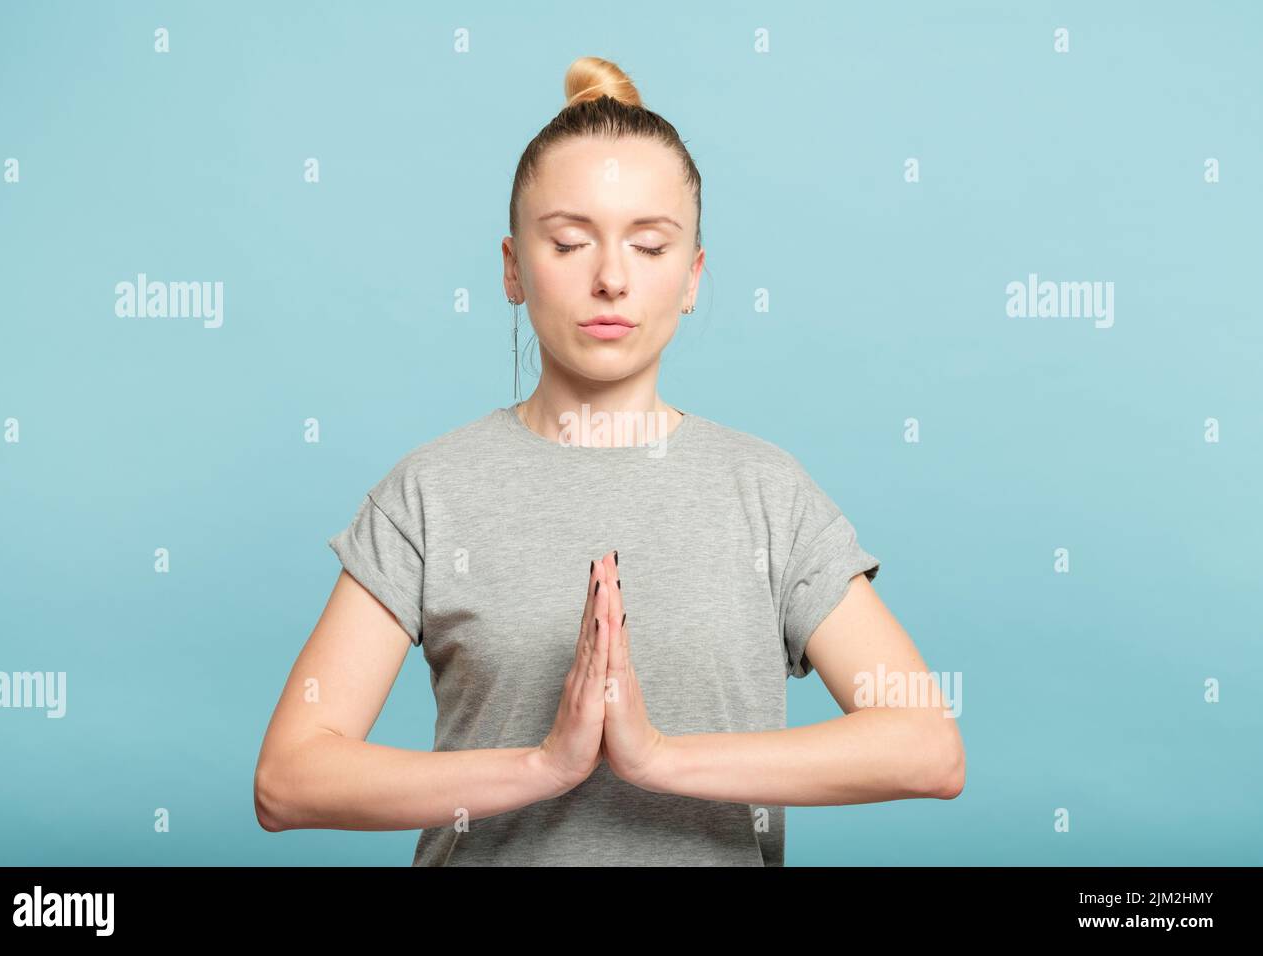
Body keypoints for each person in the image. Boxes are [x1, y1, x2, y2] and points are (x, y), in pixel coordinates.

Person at [253, 56, 965, 866]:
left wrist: (658, 757)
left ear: (693, 277)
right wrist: (542, 765)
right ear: (513, 268)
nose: (611, 280)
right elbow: (288, 778)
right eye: (568, 242)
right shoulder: (430, 493)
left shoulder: (767, 494)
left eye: (651, 246)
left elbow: (926, 748)